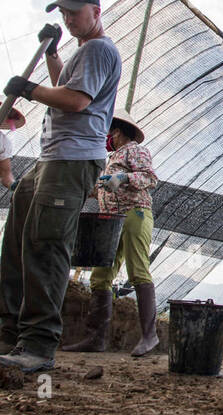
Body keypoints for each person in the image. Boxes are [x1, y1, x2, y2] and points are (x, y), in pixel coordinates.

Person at [0, 0, 122, 374]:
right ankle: (9, 333)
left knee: (46, 246)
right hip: (50, 157)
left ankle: (38, 345)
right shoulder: (81, 52)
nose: (69, 18)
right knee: (18, 243)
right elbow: (65, 87)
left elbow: (75, 101)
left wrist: (29, 89)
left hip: (72, 159)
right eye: (63, 12)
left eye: (75, 11)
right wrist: (54, 54)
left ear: (96, 10)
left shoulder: (99, 49)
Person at [65, 109, 159, 356]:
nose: (107, 137)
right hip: (110, 221)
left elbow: (150, 178)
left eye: (110, 132)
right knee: (100, 276)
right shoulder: (111, 158)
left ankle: (150, 336)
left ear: (118, 132)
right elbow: (102, 190)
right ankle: (96, 338)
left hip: (135, 213)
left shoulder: (135, 150)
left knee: (137, 270)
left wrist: (123, 177)